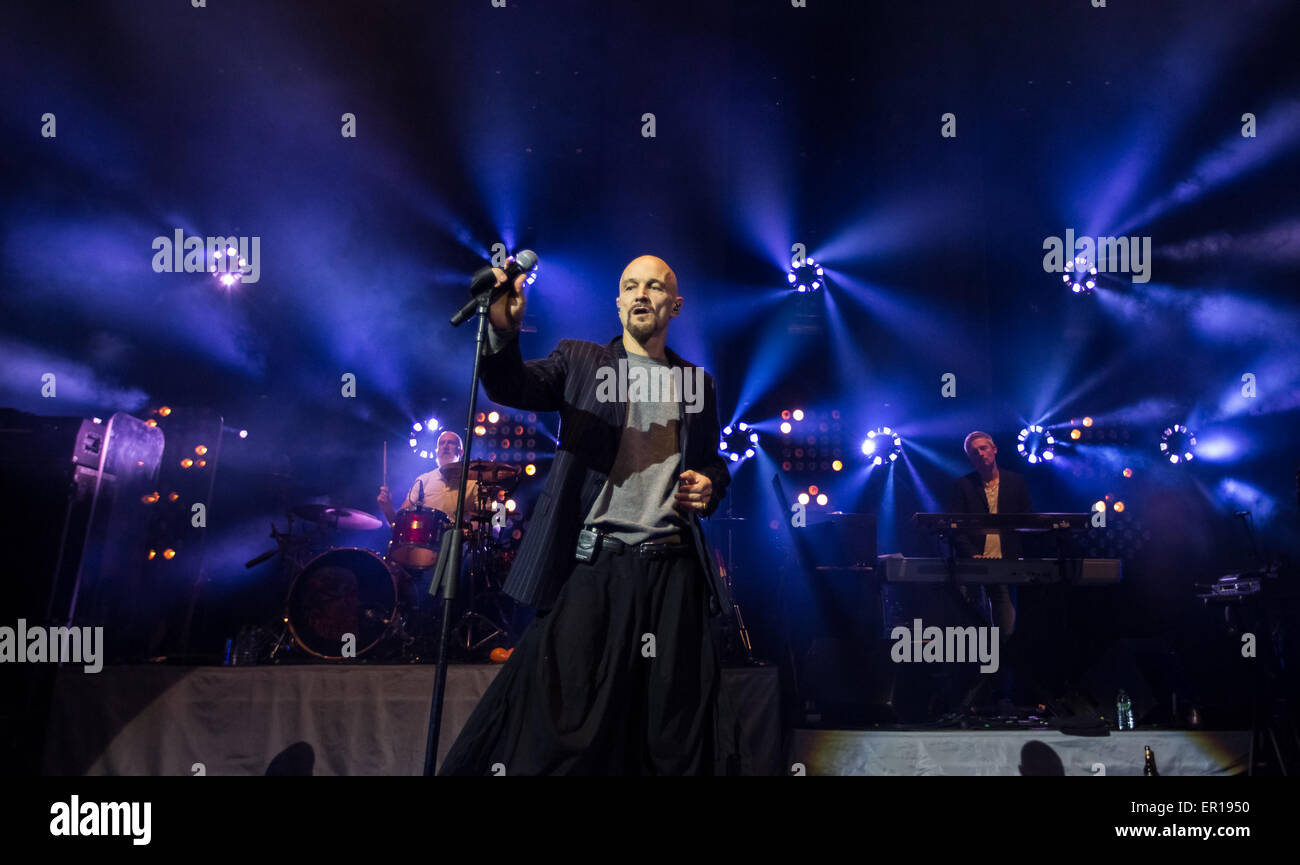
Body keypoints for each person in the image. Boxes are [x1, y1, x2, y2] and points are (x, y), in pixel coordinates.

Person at [438, 254, 732, 775]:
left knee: (672, 728)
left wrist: (711, 481)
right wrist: (503, 332)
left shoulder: (697, 384)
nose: (642, 294)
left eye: (656, 286)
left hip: (672, 571)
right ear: (617, 302)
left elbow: (711, 461)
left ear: (676, 304)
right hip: (595, 566)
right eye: (630, 286)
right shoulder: (580, 361)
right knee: (565, 722)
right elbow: (512, 388)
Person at [948, 430, 1032, 636]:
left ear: (994, 449)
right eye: (974, 452)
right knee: (971, 618)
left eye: (983, 448)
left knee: (1005, 620)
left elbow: (1027, 519)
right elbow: (955, 526)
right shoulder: (963, 485)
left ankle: (1004, 659)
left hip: (1006, 559)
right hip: (973, 560)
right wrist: (970, 553)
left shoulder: (1015, 482)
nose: (980, 454)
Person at [377, 430, 480, 524]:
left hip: (458, 542)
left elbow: (486, 519)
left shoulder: (473, 482)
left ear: (461, 452)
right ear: (437, 450)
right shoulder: (423, 480)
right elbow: (399, 523)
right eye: (441, 443)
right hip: (425, 542)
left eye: (451, 443)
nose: (445, 446)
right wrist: (388, 509)